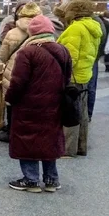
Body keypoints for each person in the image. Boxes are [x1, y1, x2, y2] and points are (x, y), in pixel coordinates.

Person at [6, 15, 72, 193]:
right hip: (54, 104)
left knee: (28, 139)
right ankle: (52, 180)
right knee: (49, 139)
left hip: (29, 106)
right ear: (50, 30)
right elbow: (67, 78)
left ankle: (31, 180)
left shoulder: (27, 52)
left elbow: (18, 81)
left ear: (31, 32)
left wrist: (10, 98)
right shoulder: (62, 50)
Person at [59, 0, 103, 157]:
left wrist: (62, 76)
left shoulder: (75, 29)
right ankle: (81, 146)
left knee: (70, 113)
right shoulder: (94, 27)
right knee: (82, 114)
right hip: (85, 75)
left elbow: (70, 58)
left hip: (72, 77)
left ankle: (68, 149)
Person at [0, 2, 41, 143]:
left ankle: (12, 131)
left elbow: (3, 56)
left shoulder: (13, 32)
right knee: (29, 100)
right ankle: (28, 130)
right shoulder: (44, 32)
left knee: (12, 99)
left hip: (14, 69)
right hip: (35, 71)